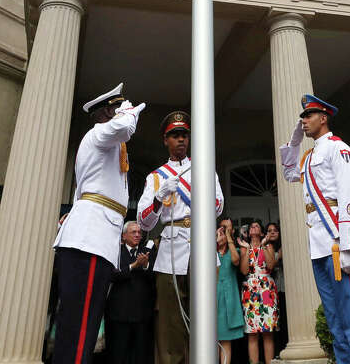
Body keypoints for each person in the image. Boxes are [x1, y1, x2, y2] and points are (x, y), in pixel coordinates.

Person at [52, 83, 146, 364]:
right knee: (79, 326)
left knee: (83, 324)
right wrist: (129, 114)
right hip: (90, 238)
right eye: (117, 108)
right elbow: (123, 129)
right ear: (107, 112)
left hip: (95, 236)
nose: (122, 112)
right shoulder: (98, 134)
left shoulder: (102, 143)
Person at [280, 95, 350, 364]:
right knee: (335, 322)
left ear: (324, 118)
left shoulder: (338, 148)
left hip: (338, 243)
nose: (304, 121)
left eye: (308, 116)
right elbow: (288, 172)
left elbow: (349, 196)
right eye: (302, 117)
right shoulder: (309, 156)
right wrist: (295, 139)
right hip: (318, 245)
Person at [138, 109, 223, 364]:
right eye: (175, 135)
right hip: (171, 253)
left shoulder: (205, 169)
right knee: (170, 323)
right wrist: (159, 197)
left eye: (184, 135)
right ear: (166, 140)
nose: (181, 140)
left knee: (204, 318)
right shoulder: (155, 177)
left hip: (201, 245)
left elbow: (218, 206)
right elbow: (144, 220)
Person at [106, 221, 156, 364]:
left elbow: (155, 277)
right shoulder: (115, 251)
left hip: (142, 315)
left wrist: (146, 265)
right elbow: (113, 275)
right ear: (123, 236)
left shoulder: (147, 252)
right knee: (118, 354)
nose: (137, 235)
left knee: (140, 355)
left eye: (139, 232)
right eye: (133, 232)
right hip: (119, 314)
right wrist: (134, 265)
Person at [239, 220, 279, 364]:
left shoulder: (268, 245)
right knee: (252, 333)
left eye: (257, 226)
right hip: (251, 289)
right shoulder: (245, 247)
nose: (253, 227)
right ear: (248, 233)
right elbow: (244, 270)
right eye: (251, 226)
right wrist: (248, 249)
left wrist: (262, 246)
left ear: (262, 232)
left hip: (267, 288)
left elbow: (271, 264)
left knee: (268, 332)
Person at [216, 222, 245, 364]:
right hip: (213, 298)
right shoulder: (211, 253)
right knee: (211, 339)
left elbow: (236, 260)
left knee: (225, 339)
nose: (220, 235)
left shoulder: (233, 251)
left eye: (223, 233)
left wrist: (228, 237)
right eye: (219, 233)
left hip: (228, 299)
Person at [265, 222, 287, 356]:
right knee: (273, 323)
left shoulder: (285, 245)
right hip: (269, 290)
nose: (272, 232)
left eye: (275, 230)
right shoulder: (264, 246)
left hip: (283, 288)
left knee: (284, 320)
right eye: (269, 230)